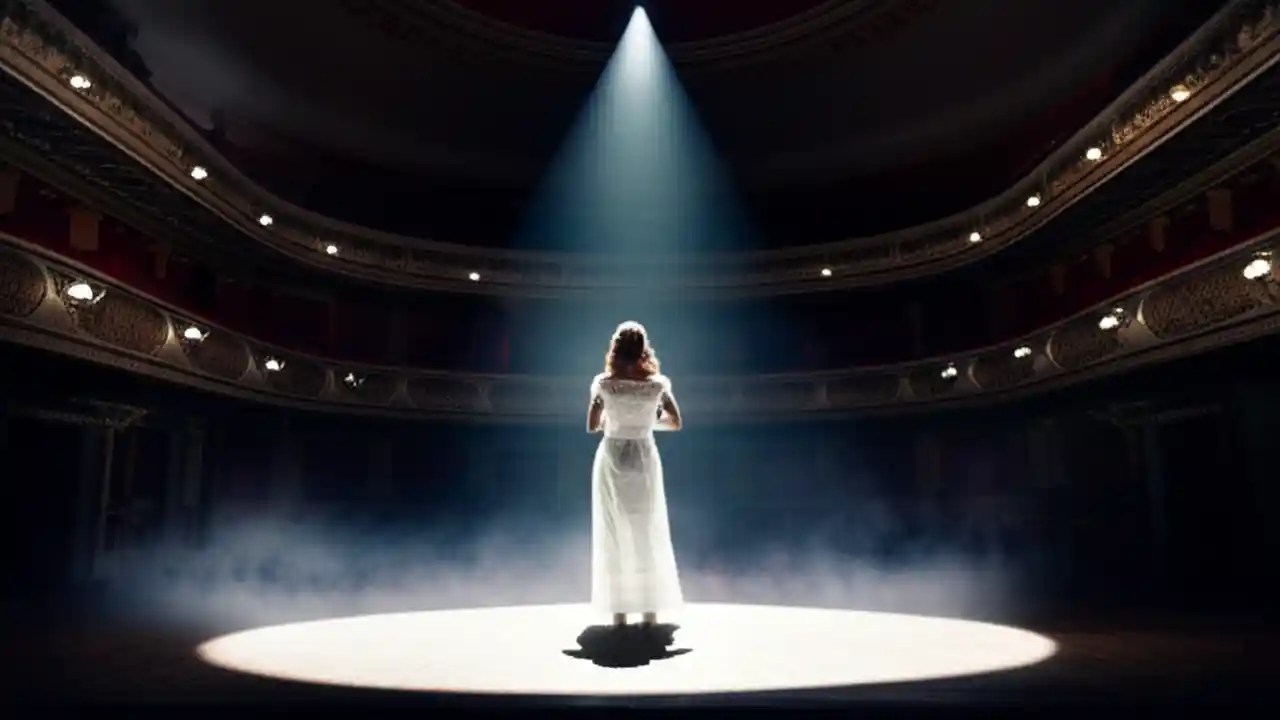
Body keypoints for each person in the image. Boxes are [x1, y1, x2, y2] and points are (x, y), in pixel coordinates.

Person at [586, 321, 683, 628]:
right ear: (644, 349)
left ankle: (619, 616)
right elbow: (676, 422)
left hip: (613, 455)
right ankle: (650, 614)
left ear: (615, 348)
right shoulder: (657, 385)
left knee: (613, 532)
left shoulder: (604, 384)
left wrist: (615, 424)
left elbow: (591, 426)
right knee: (646, 531)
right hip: (643, 455)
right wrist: (644, 425)